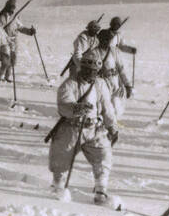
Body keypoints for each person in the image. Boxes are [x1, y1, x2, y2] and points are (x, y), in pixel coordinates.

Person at [47, 50, 119, 204]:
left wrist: (112, 126)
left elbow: (107, 107)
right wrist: (77, 108)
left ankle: (101, 190)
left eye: (94, 71)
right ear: (81, 68)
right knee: (61, 160)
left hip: (94, 129)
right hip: (71, 128)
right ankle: (58, 188)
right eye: (87, 70)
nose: (91, 73)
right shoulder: (69, 84)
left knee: (103, 156)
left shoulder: (100, 84)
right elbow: (63, 106)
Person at [94, 28, 133, 118]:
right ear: (100, 39)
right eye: (105, 39)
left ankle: (111, 128)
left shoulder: (114, 51)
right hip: (100, 84)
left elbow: (121, 68)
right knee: (103, 108)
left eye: (109, 39)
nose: (107, 42)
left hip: (114, 83)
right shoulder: (94, 53)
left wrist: (128, 85)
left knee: (116, 109)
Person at [0, 0, 37, 82]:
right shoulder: (0, 17)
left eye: (13, 7)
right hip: (4, 41)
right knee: (5, 60)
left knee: (13, 60)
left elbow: (20, 27)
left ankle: (7, 77)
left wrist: (29, 31)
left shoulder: (15, 17)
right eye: (11, 7)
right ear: (7, 7)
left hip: (14, 41)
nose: (12, 9)